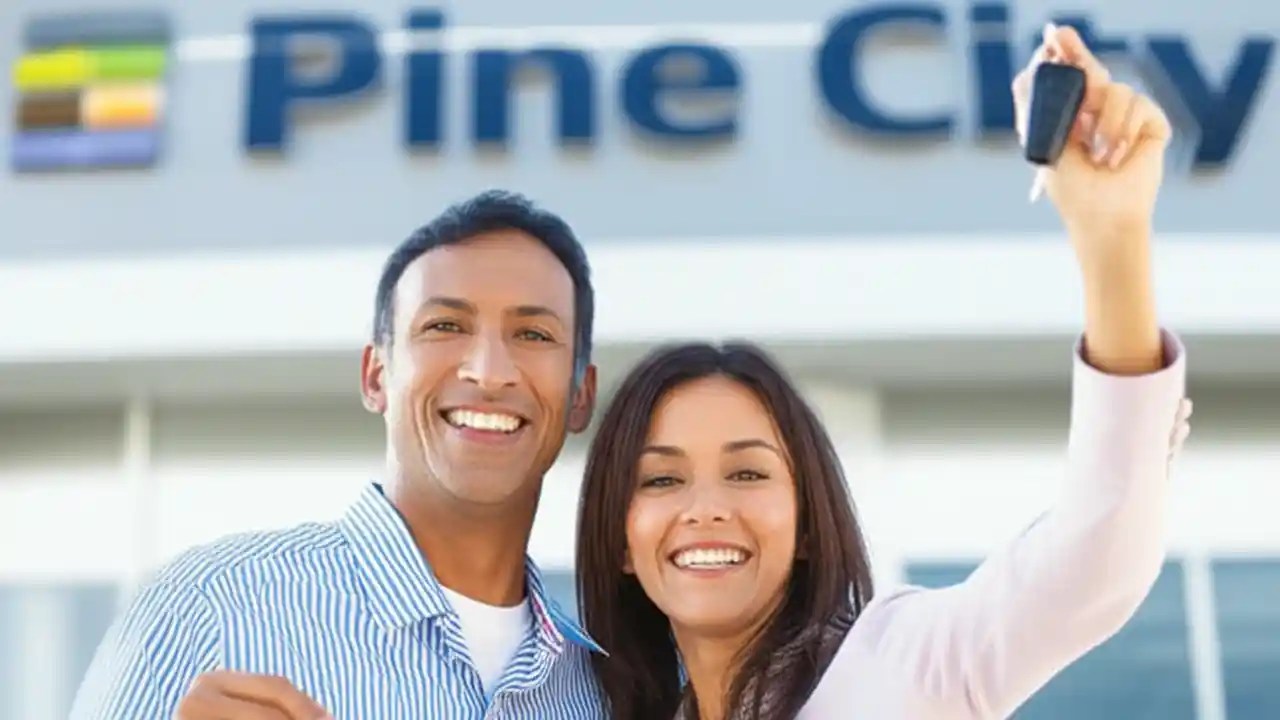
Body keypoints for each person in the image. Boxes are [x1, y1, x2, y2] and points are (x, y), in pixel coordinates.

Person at [574, 25, 1193, 720]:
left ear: (809, 525)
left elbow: (1095, 552)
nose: (707, 508)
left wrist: (1112, 236)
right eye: (661, 479)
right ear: (619, 541)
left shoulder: (906, 665)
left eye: (747, 473)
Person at [70, 191, 610, 718]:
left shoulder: (604, 692)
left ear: (581, 396)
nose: (489, 372)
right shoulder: (208, 610)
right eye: (445, 326)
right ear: (376, 376)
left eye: (534, 334)